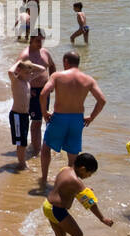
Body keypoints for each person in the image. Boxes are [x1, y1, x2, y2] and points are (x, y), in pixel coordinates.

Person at [40, 51, 108, 185]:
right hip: (77, 120)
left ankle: (43, 179)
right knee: (72, 157)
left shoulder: (57, 76)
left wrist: (44, 113)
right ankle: (68, 184)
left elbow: (43, 94)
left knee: (46, 147)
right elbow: (102, 100)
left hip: (59, 118)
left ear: (65, 61)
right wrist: (91, 117)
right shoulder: (88, 79)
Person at [43, 154, 113, 236]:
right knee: (78, 235)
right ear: (82, 168)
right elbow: (91, 203)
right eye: (89, 173)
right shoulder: (76, 182)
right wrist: (103, 218)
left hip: (47, 205)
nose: (88, 176)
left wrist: (82, 188)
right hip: (57, 210)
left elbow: (66, 186)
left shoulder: (65, 170)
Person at [18, 32, 55, 156]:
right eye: (38, 41)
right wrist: (27, 88)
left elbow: (52, 66)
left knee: (42, 119)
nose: (40, 43)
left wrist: (52, 82)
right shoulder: (25, 55)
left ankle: (36, 147)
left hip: (44, 92)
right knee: (35, 121)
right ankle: (36, 151)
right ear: (31, 39)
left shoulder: (45, 52)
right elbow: (16, 74)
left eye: (42, 41)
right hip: (32, 93)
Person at [8, 59, 41, 169]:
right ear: (19, 71)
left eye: (30, 72)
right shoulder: (16, 81)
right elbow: (10, 72)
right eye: (26, 72)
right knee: (21, 142)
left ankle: (21, 162)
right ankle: (22, 163)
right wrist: (19, 62)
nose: (29, 74)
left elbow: (42, 69)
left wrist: (30, 65)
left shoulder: (28, 81)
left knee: (23, 141)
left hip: (25, 116)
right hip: (16, 115)